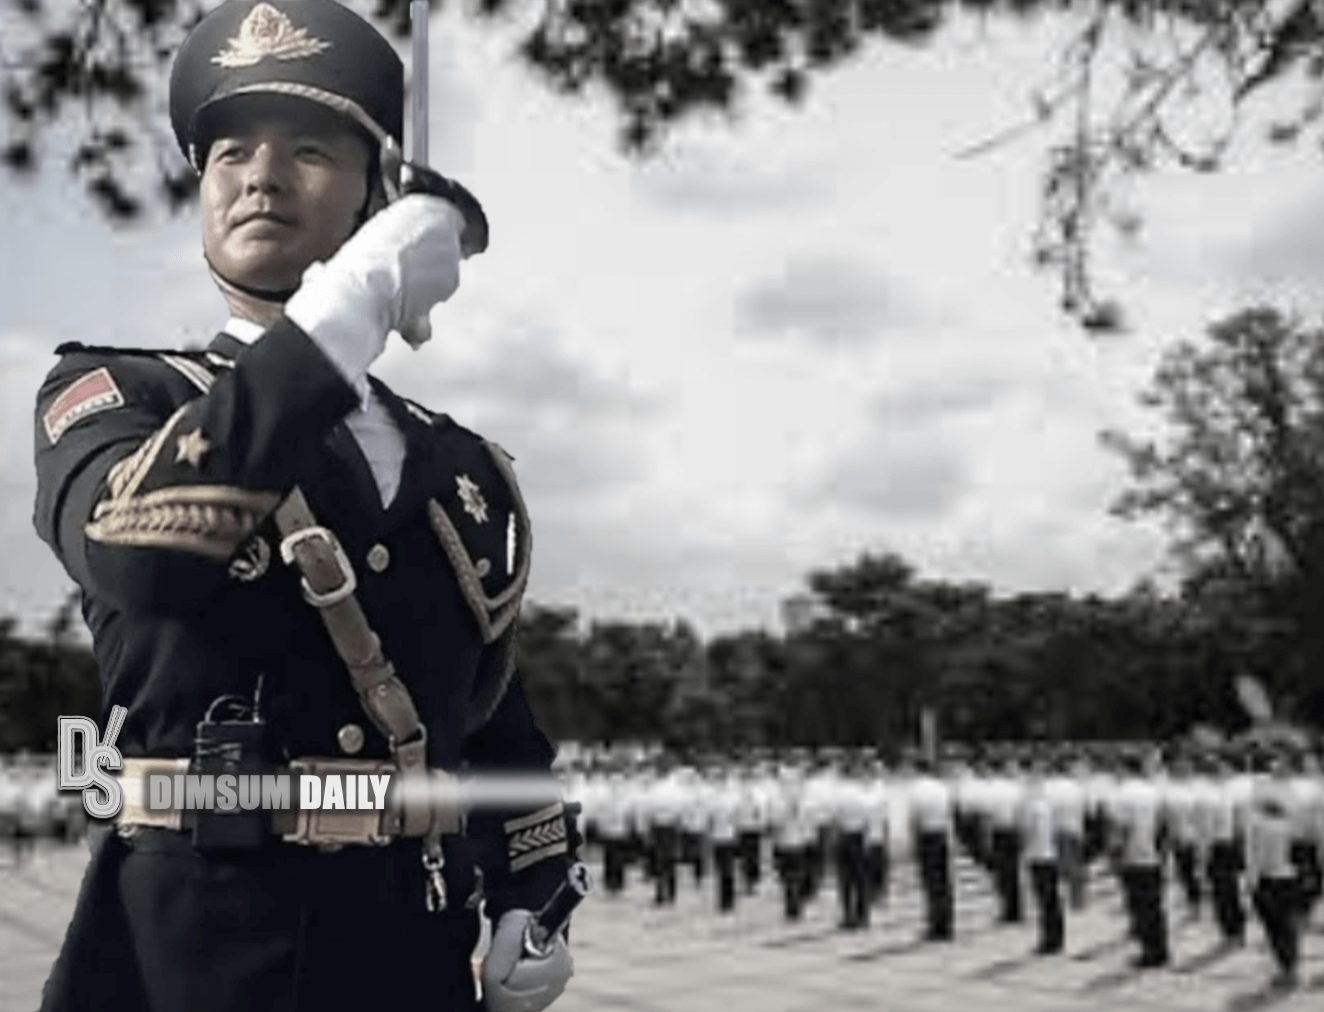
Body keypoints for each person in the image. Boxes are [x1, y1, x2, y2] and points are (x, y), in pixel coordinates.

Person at [32, 3, 578, 1010]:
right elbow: (143, 555)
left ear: (381, 193)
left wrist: (531, 895)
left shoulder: (463, 468)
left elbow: (498, 736)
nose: (259, 175)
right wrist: (354, 301)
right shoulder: (119, 394)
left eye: (310, 149)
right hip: (183, 960)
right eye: (229, 150)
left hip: (410, 961)